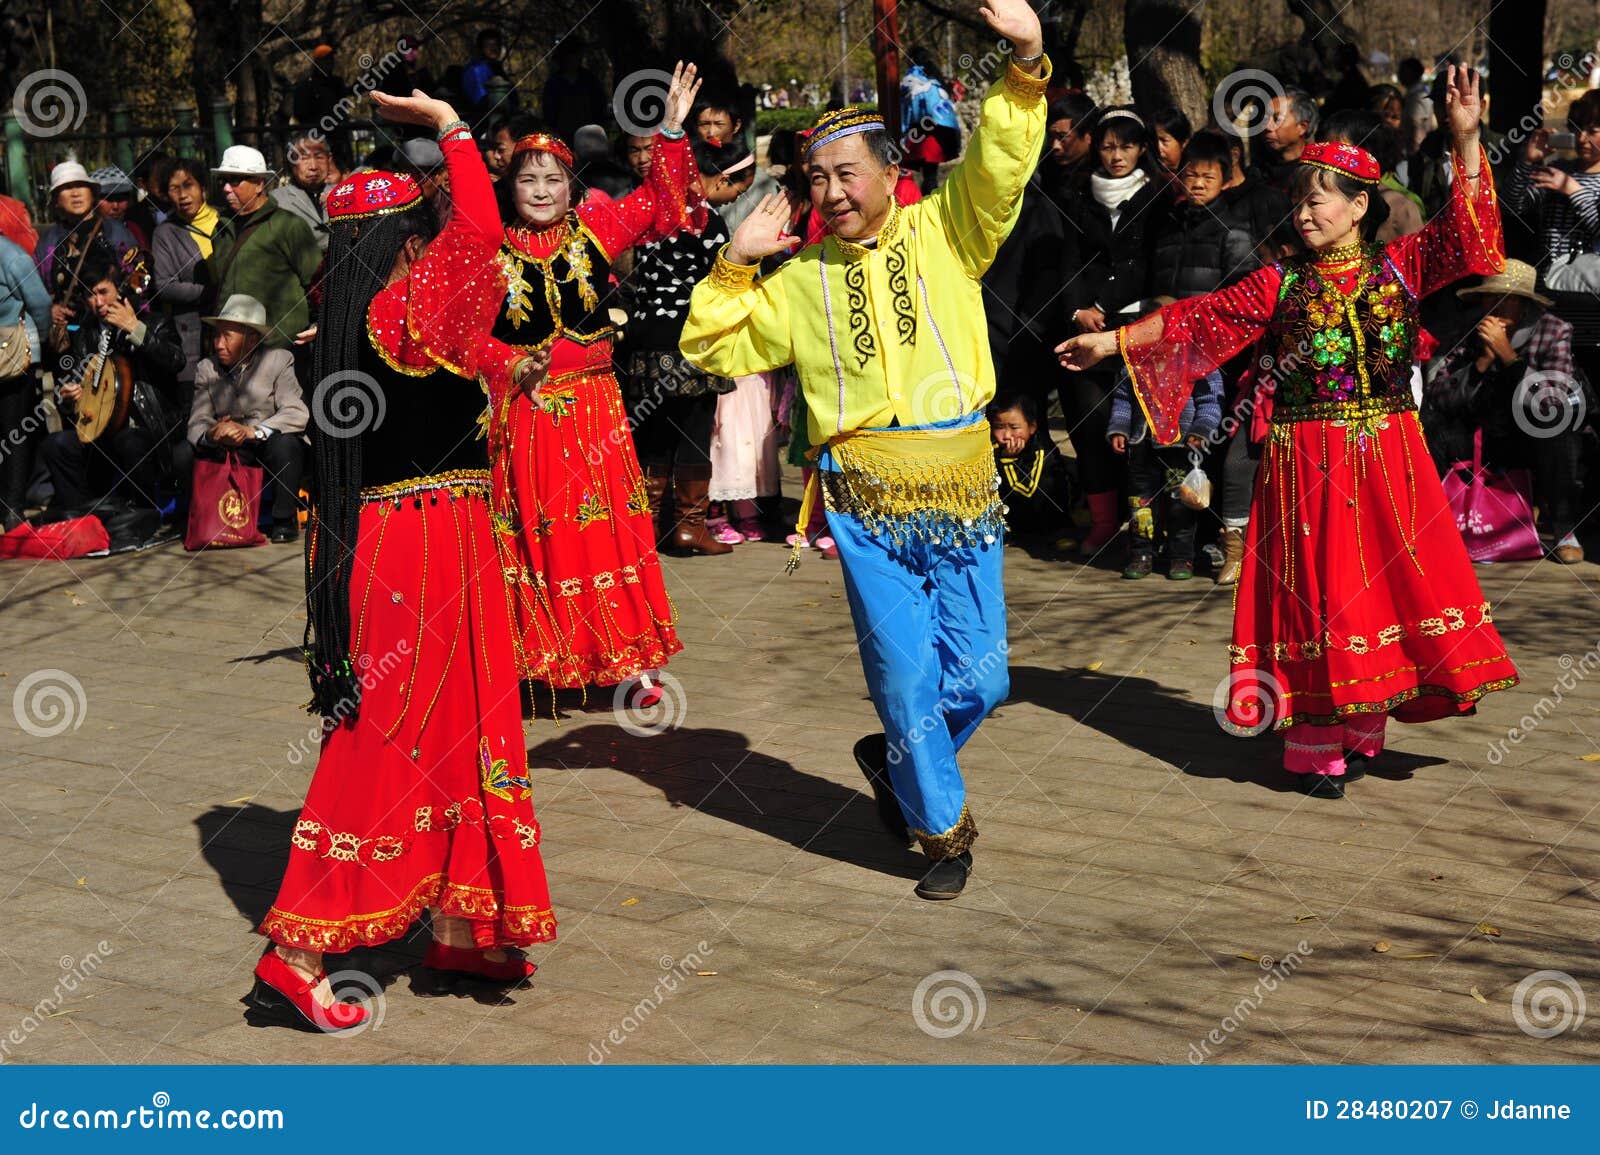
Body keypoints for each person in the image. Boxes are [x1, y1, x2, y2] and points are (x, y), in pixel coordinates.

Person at [1057, 66, 1520, 797]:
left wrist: (1465, 138)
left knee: (1384, 588)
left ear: (1359, 206)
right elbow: (1195, 320)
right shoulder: (1280, 282)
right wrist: (1111, 344)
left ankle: (1364, 725)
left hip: (1392, 452)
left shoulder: (1401, 267)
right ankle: (1315, 746)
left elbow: (1472, 236)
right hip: (1309, 459)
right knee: (1322, 595)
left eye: (1318, 200)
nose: (1303, 214)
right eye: (1299, 201)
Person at [681, 0, 1051, 898]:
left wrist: (1028, 58)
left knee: (985, 676)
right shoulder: (798, 281)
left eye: (847, 173)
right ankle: (942, 834)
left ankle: (897, 759)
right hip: (863, 500)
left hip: (962, 488)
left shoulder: (950, 231)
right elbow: (712, 348)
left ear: (891, 172)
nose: (832, 192)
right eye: (817, 178)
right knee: (906, 675)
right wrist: (736, 262)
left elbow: (1001, 162)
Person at [251, 89, 555, 1032]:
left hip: (411, 539)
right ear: (399, 241)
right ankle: (296, 951)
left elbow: (467, 354)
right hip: (427, 545)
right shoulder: (409, 302)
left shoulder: (361, 320)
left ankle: (461, 926)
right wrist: (452, 128)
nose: (433, 243)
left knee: (457, 730)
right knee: (384, 739)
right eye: (418, 231)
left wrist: (509, 368)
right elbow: (484, 232)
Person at [476, 62, 704, 693]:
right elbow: (464, 333)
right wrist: (511, 365)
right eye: (528, 179)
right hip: (528, 411)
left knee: (608, 533)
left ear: (570, 186)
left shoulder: (595, 230)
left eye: (553, 179)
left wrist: (671, 132)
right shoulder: (489, 250)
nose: (541, 190)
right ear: (509, 186)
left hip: (597, 412)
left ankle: (628, 659)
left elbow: (662, 203)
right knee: (541, 533)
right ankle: (543, 661)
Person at [1423, 260, 1586, 564]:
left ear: (1524, 306)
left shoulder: (1553, 330)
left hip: (1527, 435)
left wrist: (1509, 357)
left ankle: (1564, 530)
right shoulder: (1470, 328)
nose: (1496, 306)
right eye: (1490, 297)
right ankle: (1429, 521)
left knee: (1557, 428)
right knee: (1430, 425)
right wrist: (1481, 363)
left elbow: (1553, 403)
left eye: (1507, 299)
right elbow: (1438, 396)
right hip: (1480, 434)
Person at [623, 134, 738, 556]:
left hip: (647, 339)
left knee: (652, 432)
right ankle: (690, 527)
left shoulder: (642, 214)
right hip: (693, 337)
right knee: (693, 431)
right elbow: (723, 281)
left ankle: (647, 526)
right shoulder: (705, 219)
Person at [1061, 106, 1168, 556]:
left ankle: (1151, 528)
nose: (1116, 156)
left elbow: (1148, 262)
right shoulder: (1077, 194)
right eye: (1108, 147)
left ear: (1142, 149)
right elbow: (1068, 260)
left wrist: (1103, 304)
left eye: (1126, 147)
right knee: (1091, 422)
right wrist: (1078, 310)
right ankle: (1103, 522)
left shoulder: (1159, 195)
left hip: (1139, 323)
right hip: (1086, 325)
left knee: (1141, 427)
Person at [37, 255, 185, 549]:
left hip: (143, 429)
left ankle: (142, 516)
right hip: (99, 429)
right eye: (90, 295)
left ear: (120, 289)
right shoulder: (87, 334)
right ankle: (84, 519)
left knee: (129, 440)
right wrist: (70, 396)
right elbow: (77, 386)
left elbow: (176, 360)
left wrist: (135, 328)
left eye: (103, 291)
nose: (97, 301)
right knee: (57, 444)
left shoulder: (154, 322)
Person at [177, 294, 308, 543]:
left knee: (286, 445)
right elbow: (197, 420)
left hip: (264, 444)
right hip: (227, 446)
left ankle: (283, 519)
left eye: (227, 336)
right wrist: (213, 433)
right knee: (183, 452)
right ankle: (202, 516)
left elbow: (295, 412)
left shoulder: (278, 360)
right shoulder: (207, 368)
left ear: (251, 339)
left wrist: (253, 431)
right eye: (216, 335)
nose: (218, 344)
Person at [1108, 367, 1221, 579]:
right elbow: (1123, 398)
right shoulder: (1136, 358)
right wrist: (1120, 427)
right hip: (1142, 444)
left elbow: (1210, 401)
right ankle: (1141, 554)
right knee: (1139, 504)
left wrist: (1201, 429)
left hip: (1181, 446)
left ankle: (1181, 557)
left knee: (1181, 505)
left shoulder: (1199, 360)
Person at [208, 146, 321, 349]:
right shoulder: (220, 229)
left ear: (259, 184)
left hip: (282, 348)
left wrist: (318, 324)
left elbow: (319, 283)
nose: (226, 188)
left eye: (235, 180)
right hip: (234, 351)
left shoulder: (289, 226)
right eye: (223, 180)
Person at [35, 163, 140, 352]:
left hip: (112, 334)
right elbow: (38, 289)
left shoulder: (117, 234)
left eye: (81, 186)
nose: (75, 193)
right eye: (67, 188)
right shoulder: (48, 242)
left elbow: (139, 283)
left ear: (92, 194)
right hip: (68, 339)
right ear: (56, 200)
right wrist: (49, 309)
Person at [1504, 92, 1600, 273]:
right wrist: (1527, 162)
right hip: (1546, 279)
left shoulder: (1564, 178)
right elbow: (1511, 206)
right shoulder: (1557, 170)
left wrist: (1573, 191)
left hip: (1587, 283)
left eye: (1593, 131)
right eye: (1576, 129)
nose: (1581, 138)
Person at [151, 158, 220, 384]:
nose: (182, 195)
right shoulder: (165, 234)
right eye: (174, 189)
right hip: (192, 335)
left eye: (188, 185)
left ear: (202, 187)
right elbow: (165, 286)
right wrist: (210, 293)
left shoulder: (225, 221)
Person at [0, 234, 51, 530]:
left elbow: (40, 304)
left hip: (16, 356)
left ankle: (13, 508)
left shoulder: (12, 256)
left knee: (15, 431)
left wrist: (39, 341)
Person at [988, 392, 1073, 549]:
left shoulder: (1042, 450)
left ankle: (1057, 531)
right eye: (999, 427)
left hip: (1043, 516)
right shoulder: (992, 448)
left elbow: (1027, 489)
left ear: (1032, 427)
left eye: (1014, 427)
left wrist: (1009, 461)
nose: (1007, 435)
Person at [900, 47, 962, 192]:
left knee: (926, 176)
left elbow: (905, 108)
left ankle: (926, 200)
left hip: (919, 133)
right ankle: (931, 199)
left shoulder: (910, 80)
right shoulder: (936, 80)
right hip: (939, 133)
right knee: (931, 174)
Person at [273, 134, 332, 251]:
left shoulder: (344, 193)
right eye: (304, 159)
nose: (313, 166)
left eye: (319, 157)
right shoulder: (276, 200)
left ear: (329, 159)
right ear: (291, 162)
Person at [540, 38, 606, 144]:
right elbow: (549, 112)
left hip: (588, 135)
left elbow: (599, 106)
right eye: (569, 56)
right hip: (563, 136)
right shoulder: (554, 82)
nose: (572, 60)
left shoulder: (589, 80)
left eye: (575, 56)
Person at [1256, 88, 1318, 197]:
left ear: (1302, 127)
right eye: (1265, 119)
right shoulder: (1257, 171)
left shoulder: (1315, 173)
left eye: (1277, 119)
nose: (1267, 126)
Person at [90, 166, 150, 249]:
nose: (115, 206)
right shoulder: (84, 232)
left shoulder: (135, 229)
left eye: (121, 198)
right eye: (108, 199)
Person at [463, 29, 514, 124]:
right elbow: (481, 101)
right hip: (481, 122)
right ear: (481, 48)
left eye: (496, 45)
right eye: (488, 45)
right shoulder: (475, 70)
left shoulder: (497, 67)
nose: (493, 48)